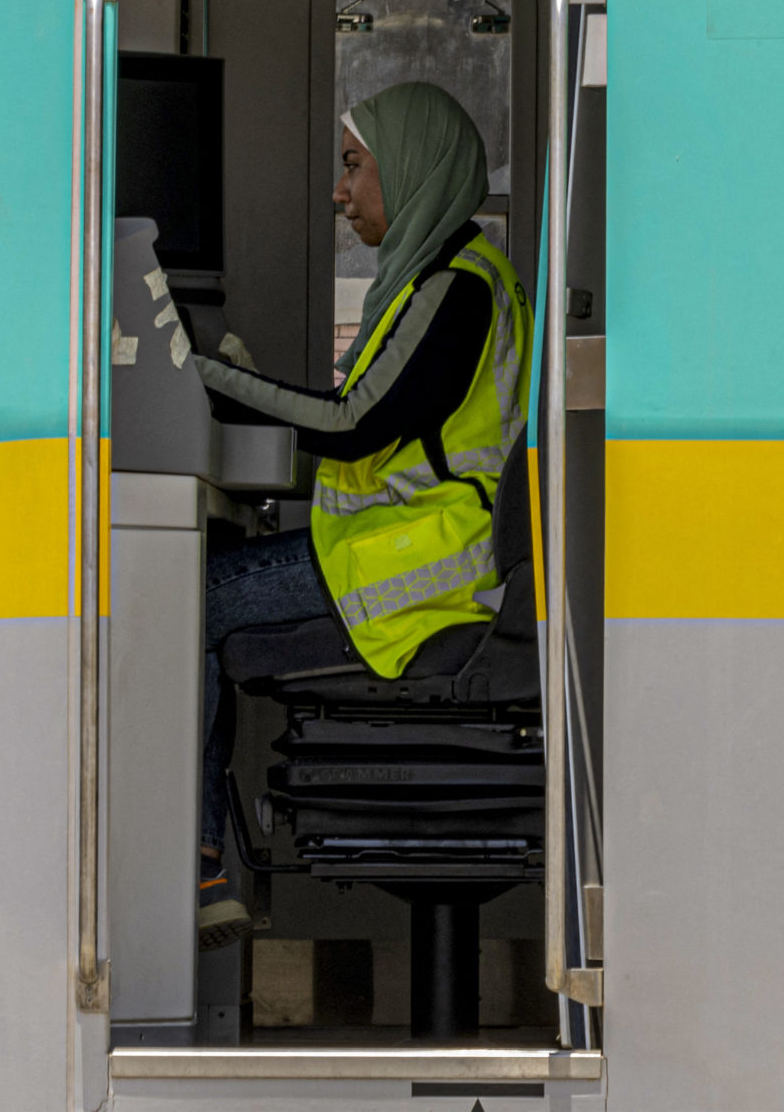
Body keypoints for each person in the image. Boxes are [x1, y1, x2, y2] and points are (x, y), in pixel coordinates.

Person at [189, 81, 530, 950]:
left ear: (409, 169)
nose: (340, 192)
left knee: (183, 603)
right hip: (393, 552)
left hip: (425, 569)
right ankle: (202, 857)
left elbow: (353, 425)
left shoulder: (457, 289)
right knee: (205, 580)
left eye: (353, 166)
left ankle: (200, 862)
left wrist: (204, 377)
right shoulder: (432, 280)